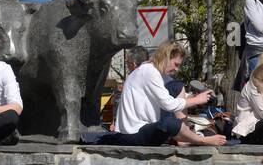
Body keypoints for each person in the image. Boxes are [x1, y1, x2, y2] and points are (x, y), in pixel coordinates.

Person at [90, 43, 225, 147]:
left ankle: (188, 138)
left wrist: (190, 98)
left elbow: (166, 100)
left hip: (133, 133)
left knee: (170, 118)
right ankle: (202, 140)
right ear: (166, 57)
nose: (177, 69)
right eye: (176, 64)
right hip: (133, 135)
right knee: (168, 123)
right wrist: (196, 100)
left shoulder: (146, 71)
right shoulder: (150, 72)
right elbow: (169, 104)